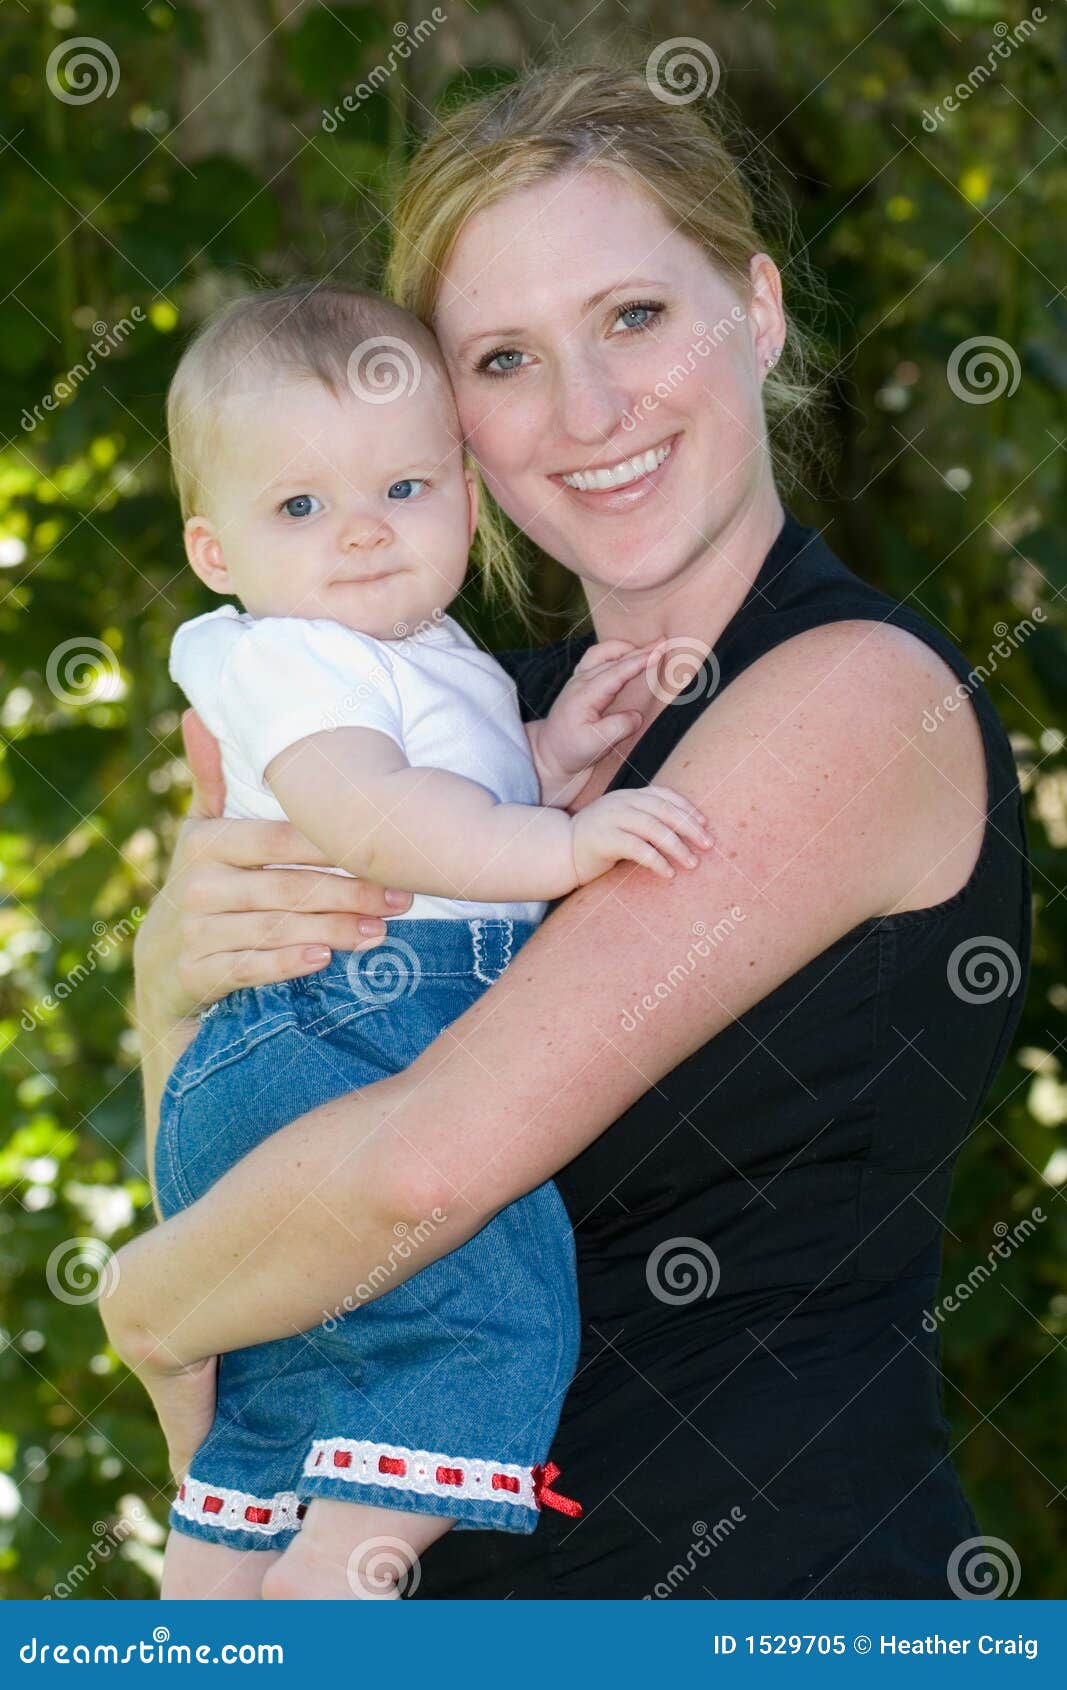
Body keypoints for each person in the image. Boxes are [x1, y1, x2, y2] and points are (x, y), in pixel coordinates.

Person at [101, 65, 1031, 1599]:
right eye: (506, 357)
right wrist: (163, 982)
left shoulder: (860, 700)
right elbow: (245, 1196)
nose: (587, 410)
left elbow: (416, 1170)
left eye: (636, 318)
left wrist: (142, 1305)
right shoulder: (453, 731)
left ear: (761, 308)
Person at [153, 279, 708, 1596]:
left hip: (303, 1046)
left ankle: (220, 1606)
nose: (357, 535)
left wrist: (549, 760)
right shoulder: (286, 655)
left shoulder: (413, 651)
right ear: (215, 551)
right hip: (354, 1022)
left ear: (465, 494)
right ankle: (343, 1587)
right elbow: (382, 819)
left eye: (401, 490)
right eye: (300, 507)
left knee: (295, 1388)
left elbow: (455, 784)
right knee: (483, 1320)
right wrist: (565, 848)